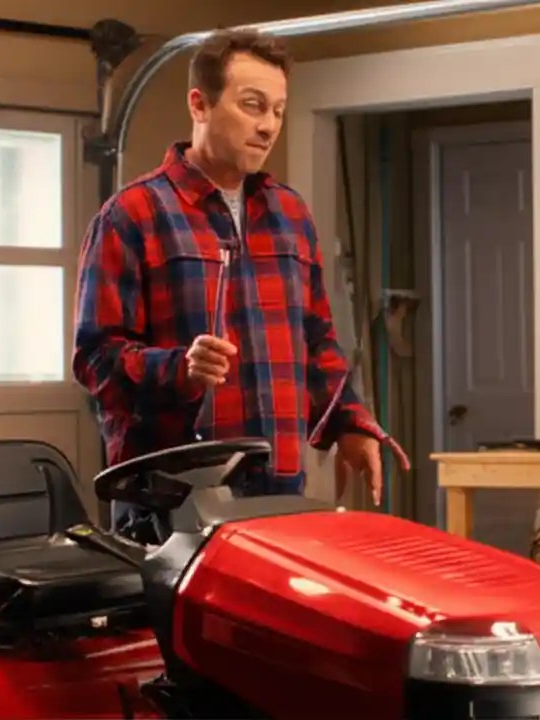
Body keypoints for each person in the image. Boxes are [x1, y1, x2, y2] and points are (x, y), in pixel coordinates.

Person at [72, 28, 408, 539]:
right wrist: (177, 370)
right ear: (199, 104)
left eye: (277, 109)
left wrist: (348, 421)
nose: (269, 125)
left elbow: (318, 341)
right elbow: (95, 359)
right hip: (170, 499)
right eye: (253, 106)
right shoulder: (132, 215)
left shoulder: (291, 215)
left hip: (278, 492)